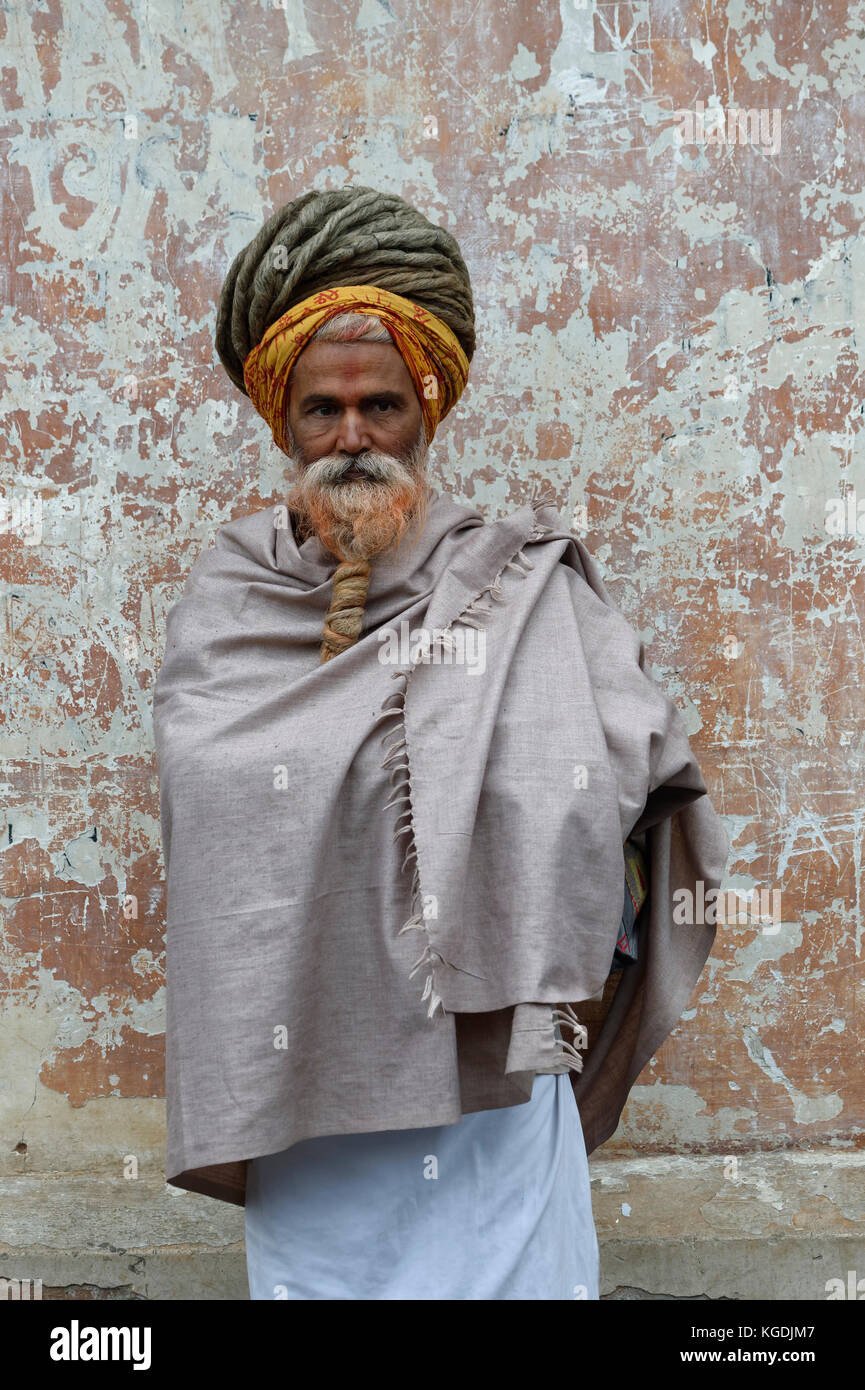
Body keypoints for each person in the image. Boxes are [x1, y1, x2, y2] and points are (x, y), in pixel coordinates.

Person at [152, 185, 729, 1301]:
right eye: (322, 410)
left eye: (383, 406)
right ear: (284, 422)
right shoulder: (230, 598)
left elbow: (640, 781)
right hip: (300, 1082)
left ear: (429, 409)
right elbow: (214, 798)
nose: (354, 436)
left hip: (491, 1086)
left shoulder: (522, 583)